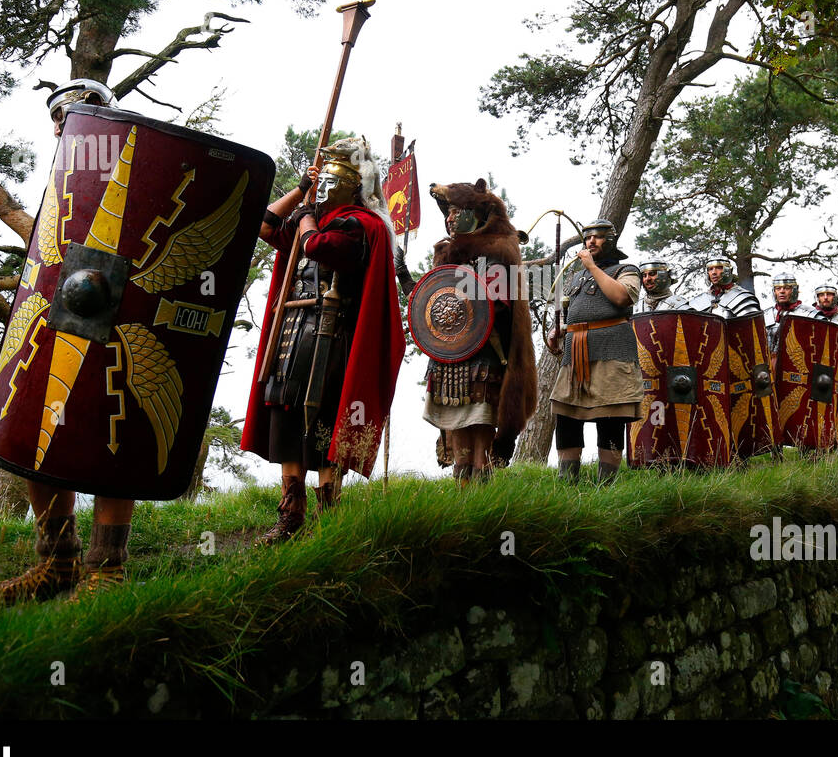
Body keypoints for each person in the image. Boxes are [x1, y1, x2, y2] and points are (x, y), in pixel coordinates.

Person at [0, 80, 131, 604]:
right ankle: (58, 564)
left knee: (116, 432)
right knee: (35, 431)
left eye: (80, 113)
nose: (69, 124)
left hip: (120, 322)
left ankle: (108, 571)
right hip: (56, 320)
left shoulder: (136, 168)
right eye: (61, 118)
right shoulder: (61, 182)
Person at [242, 137, 405, 543]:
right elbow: (261, 223)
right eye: (323, 181)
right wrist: (299, 190)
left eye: (333, 181)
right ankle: (291, 513)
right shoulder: (309, 218)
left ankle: (328, 514)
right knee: (285, 413)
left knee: (324, 419)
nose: (326, 188)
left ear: (353, 187)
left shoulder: (359, 227)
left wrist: (305, 217)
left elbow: (318, 246)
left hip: (332, 336)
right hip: (293, 333)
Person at [421, 180, 536, 483]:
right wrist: (407, 279)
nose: (450, 217)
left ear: (475, 213)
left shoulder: (498, 250)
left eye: (456, 210)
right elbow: (431, 303)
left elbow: (496, 306)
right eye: (447, 211)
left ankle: (482, 495)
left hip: (485, 349)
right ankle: (463, 501)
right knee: (456, 423)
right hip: (450, 352)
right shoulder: (448, 252)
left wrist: (464, 300)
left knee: (480, 425)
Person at [545, 219, 642, 483]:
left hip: (612, 353)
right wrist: (560, 331)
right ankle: (567, 484)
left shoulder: (627, 269)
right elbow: (571, 313)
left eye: (597, 237)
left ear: (610, 241)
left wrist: (590, 266)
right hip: (575, 354)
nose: (591, 242)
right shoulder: (577, 277)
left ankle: (606, 486)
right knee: (566, 416)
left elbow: (622, 297)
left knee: (610, 418)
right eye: (588, 238)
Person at [687, 254, 762, 318]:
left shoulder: (742, 298)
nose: (714, 272)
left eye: (719, 268)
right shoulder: (699, 301)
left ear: (727, 271)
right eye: (710, 269)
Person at [764, 271, 811, 352]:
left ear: (794, 290)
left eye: (787, 288)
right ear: (774, 291)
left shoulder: (809, 314)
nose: (782, 291)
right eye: (778, 288)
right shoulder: (766, 315)